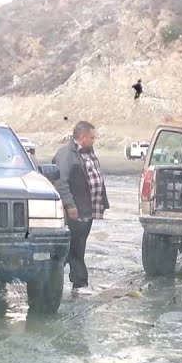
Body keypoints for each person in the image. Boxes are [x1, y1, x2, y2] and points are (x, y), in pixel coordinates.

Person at [51, 121, 109, 297]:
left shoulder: (87, 152)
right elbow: (60, 182)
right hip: (75, 211)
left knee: (78, 245)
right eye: (92, 137)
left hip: (87, 210)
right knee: (74, 247)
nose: (94, 140)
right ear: (82, 137)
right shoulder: (66, 155)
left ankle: (59, 279)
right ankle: (78, 283)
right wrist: (70, 205)